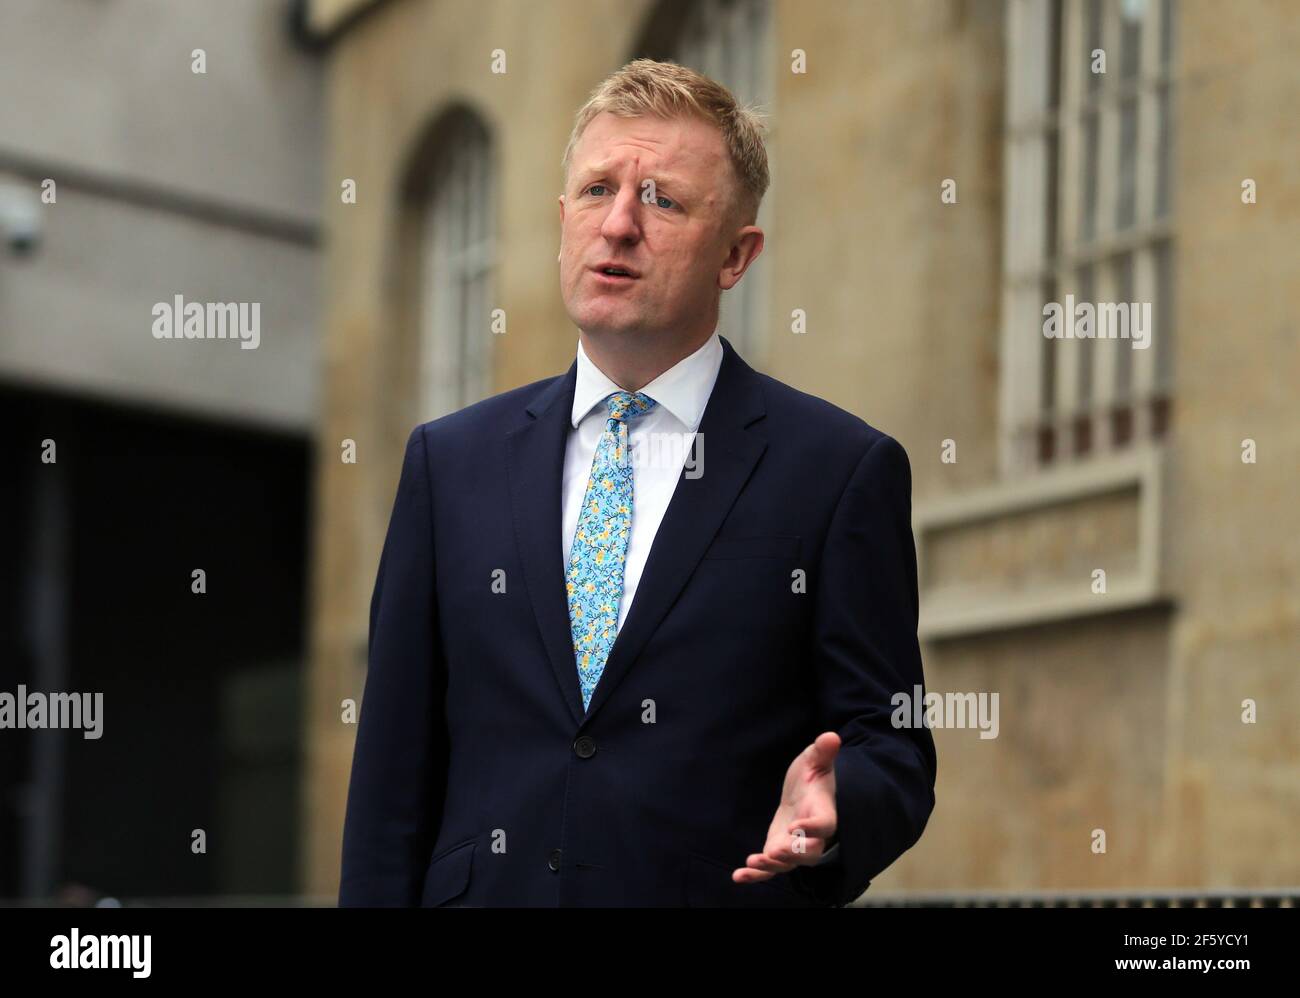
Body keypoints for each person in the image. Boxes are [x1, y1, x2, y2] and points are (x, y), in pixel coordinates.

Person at [339, 58, 936, 907]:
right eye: (595, 192)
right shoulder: (450, 463)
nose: (619, 224)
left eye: (661, 199)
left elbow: (895, 746)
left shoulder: (838, 473)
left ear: (736, 255)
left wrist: (837, 805)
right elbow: (391, 778)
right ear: (561, 222)